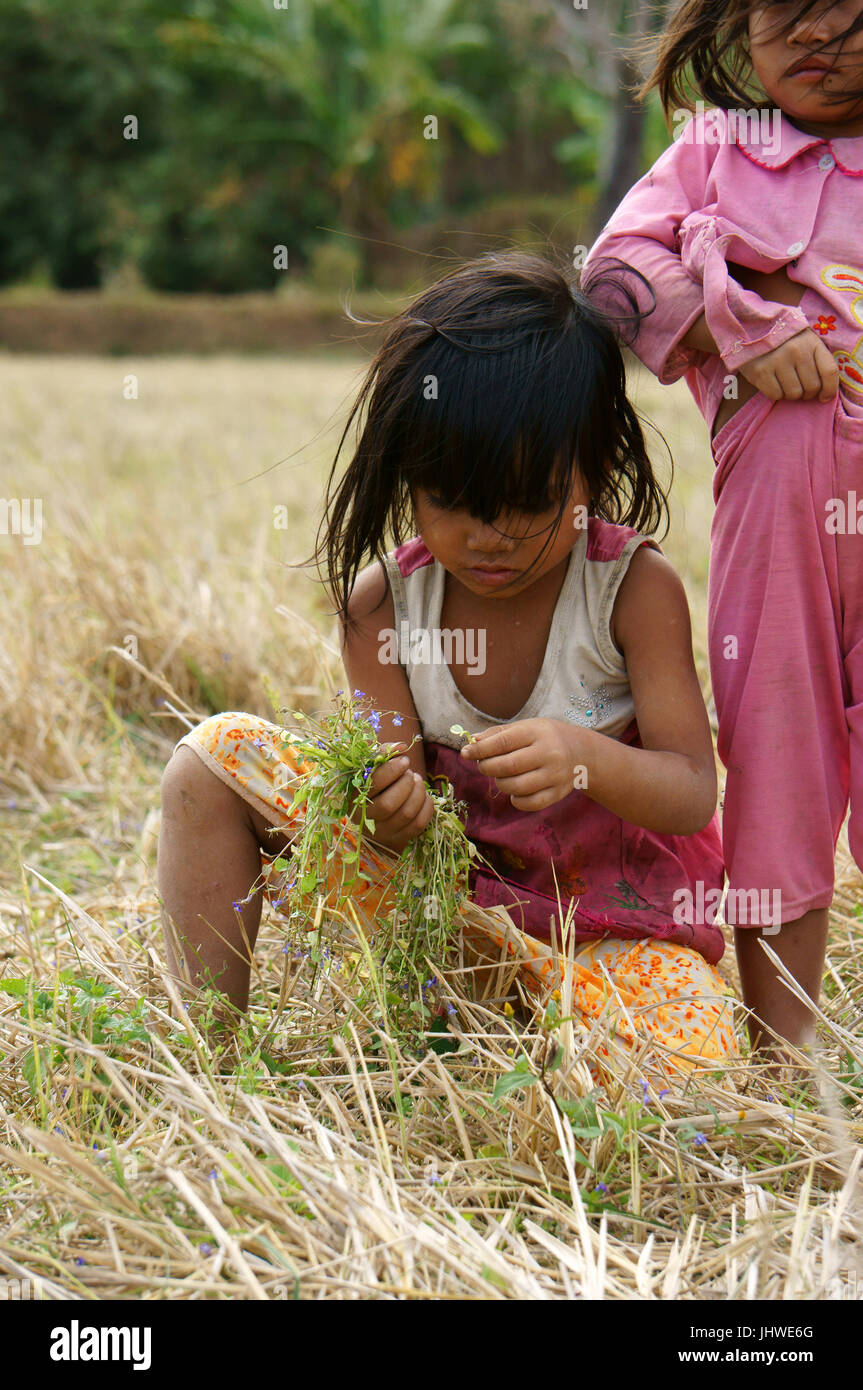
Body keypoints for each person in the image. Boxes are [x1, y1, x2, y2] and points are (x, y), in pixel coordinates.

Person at [157, 249, 738, 1072]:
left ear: (594, 466)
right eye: (453, 504)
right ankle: (204, 1055)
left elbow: (688, 791)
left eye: (529, 503)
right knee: (209, 762)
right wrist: (390, 808)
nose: (487, 537)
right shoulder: (382, 605)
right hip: (443, 918)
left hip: (605, 935)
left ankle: (526, 1016)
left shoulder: (630, 589)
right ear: (408, 479)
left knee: (695, 1069)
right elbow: (387, 797)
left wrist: (585, 760)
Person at [584, 0, 863, 1057]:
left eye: (841, 13)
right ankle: (785, 1062)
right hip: (773, 527)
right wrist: (729, 329)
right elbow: (610, 276)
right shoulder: (714, 147)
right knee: (775, 762)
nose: (809, 38)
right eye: (778, 12)